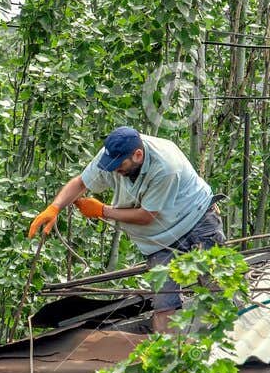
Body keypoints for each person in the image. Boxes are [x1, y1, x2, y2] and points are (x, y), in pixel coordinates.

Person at [29, 126, 226, 331]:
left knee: (217, 287)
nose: (114, 170)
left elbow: (146, 216)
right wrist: (55, 207)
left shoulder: (166, 166)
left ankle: (232, 344)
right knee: (164, 305)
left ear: (137, 155)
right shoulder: (112, 155)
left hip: (197, 221)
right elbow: (81, 182)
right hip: (159, 241)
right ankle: (167, 356)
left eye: (119, 165)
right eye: (111, 165)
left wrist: (102, 211)